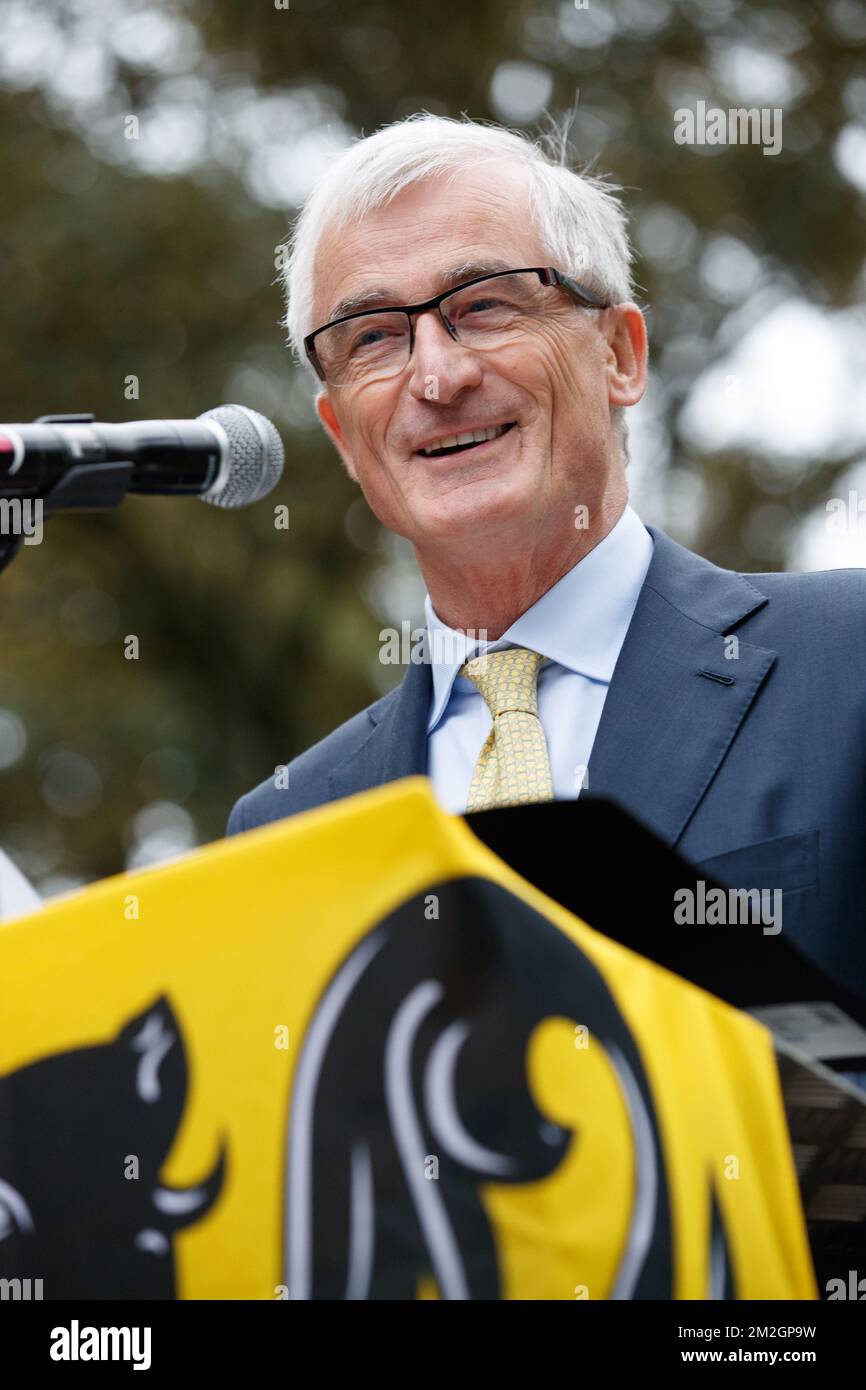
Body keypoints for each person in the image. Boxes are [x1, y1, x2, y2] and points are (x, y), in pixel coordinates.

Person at [227, 114, 865, 993]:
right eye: (373, 335)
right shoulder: (284, 828)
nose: (437, 378)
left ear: (618, 353)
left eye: (484, 305)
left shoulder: (847, 662)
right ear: (342, 433)